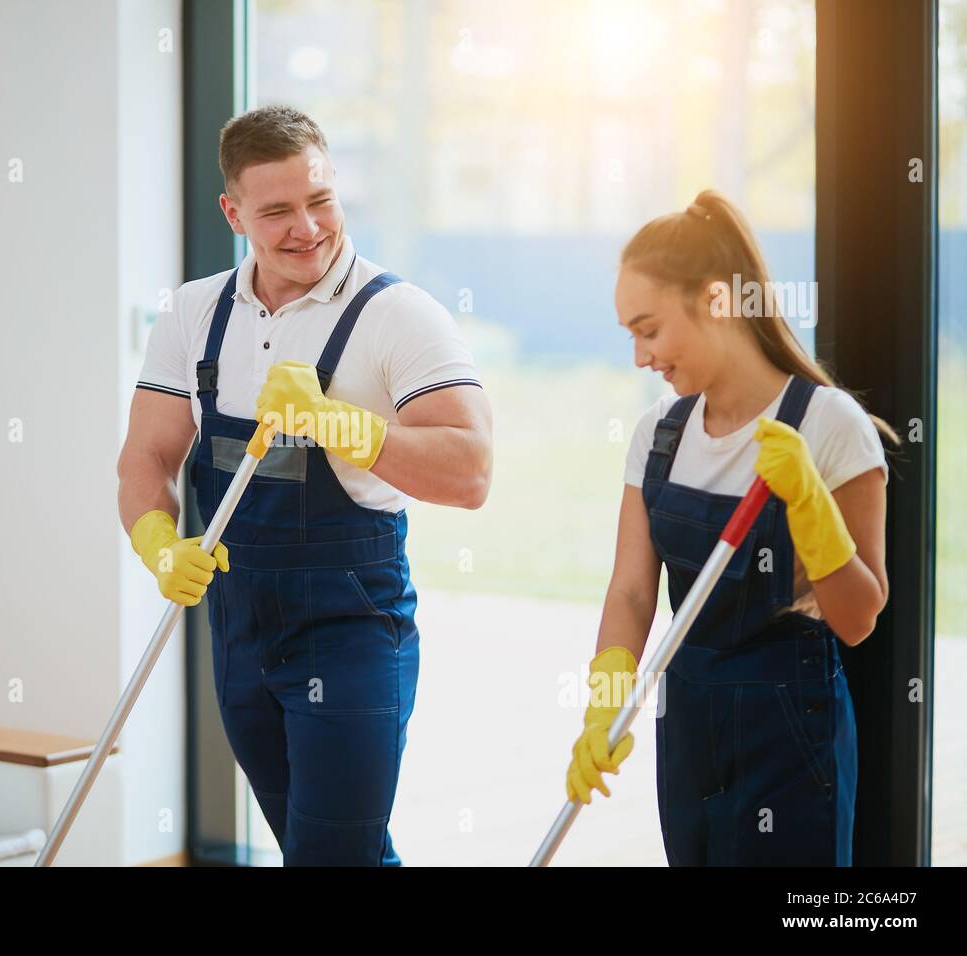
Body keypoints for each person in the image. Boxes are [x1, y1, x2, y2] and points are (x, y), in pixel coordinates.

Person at [117, 104, 493, 865]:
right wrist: (158, 545)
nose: (308, 228)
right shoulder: (195, 312)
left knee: (333, 855)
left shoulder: (397, 315)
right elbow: (145, 459)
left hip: (351, 624)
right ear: (233, 212)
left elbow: (470, 471)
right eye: (278, 211)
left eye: (320, 200)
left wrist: (341, 425)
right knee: (313, 847)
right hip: (239, 628)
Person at [565, 189, 897, 865]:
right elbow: (631, 592)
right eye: (631, 334)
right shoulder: (658, 434)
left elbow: (859, 618)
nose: (640, 357)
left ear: (717, 302)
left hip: (792, 737)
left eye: (649, 329)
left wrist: (808, 502)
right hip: (688, 730)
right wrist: (604, 702)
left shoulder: (828, 425)